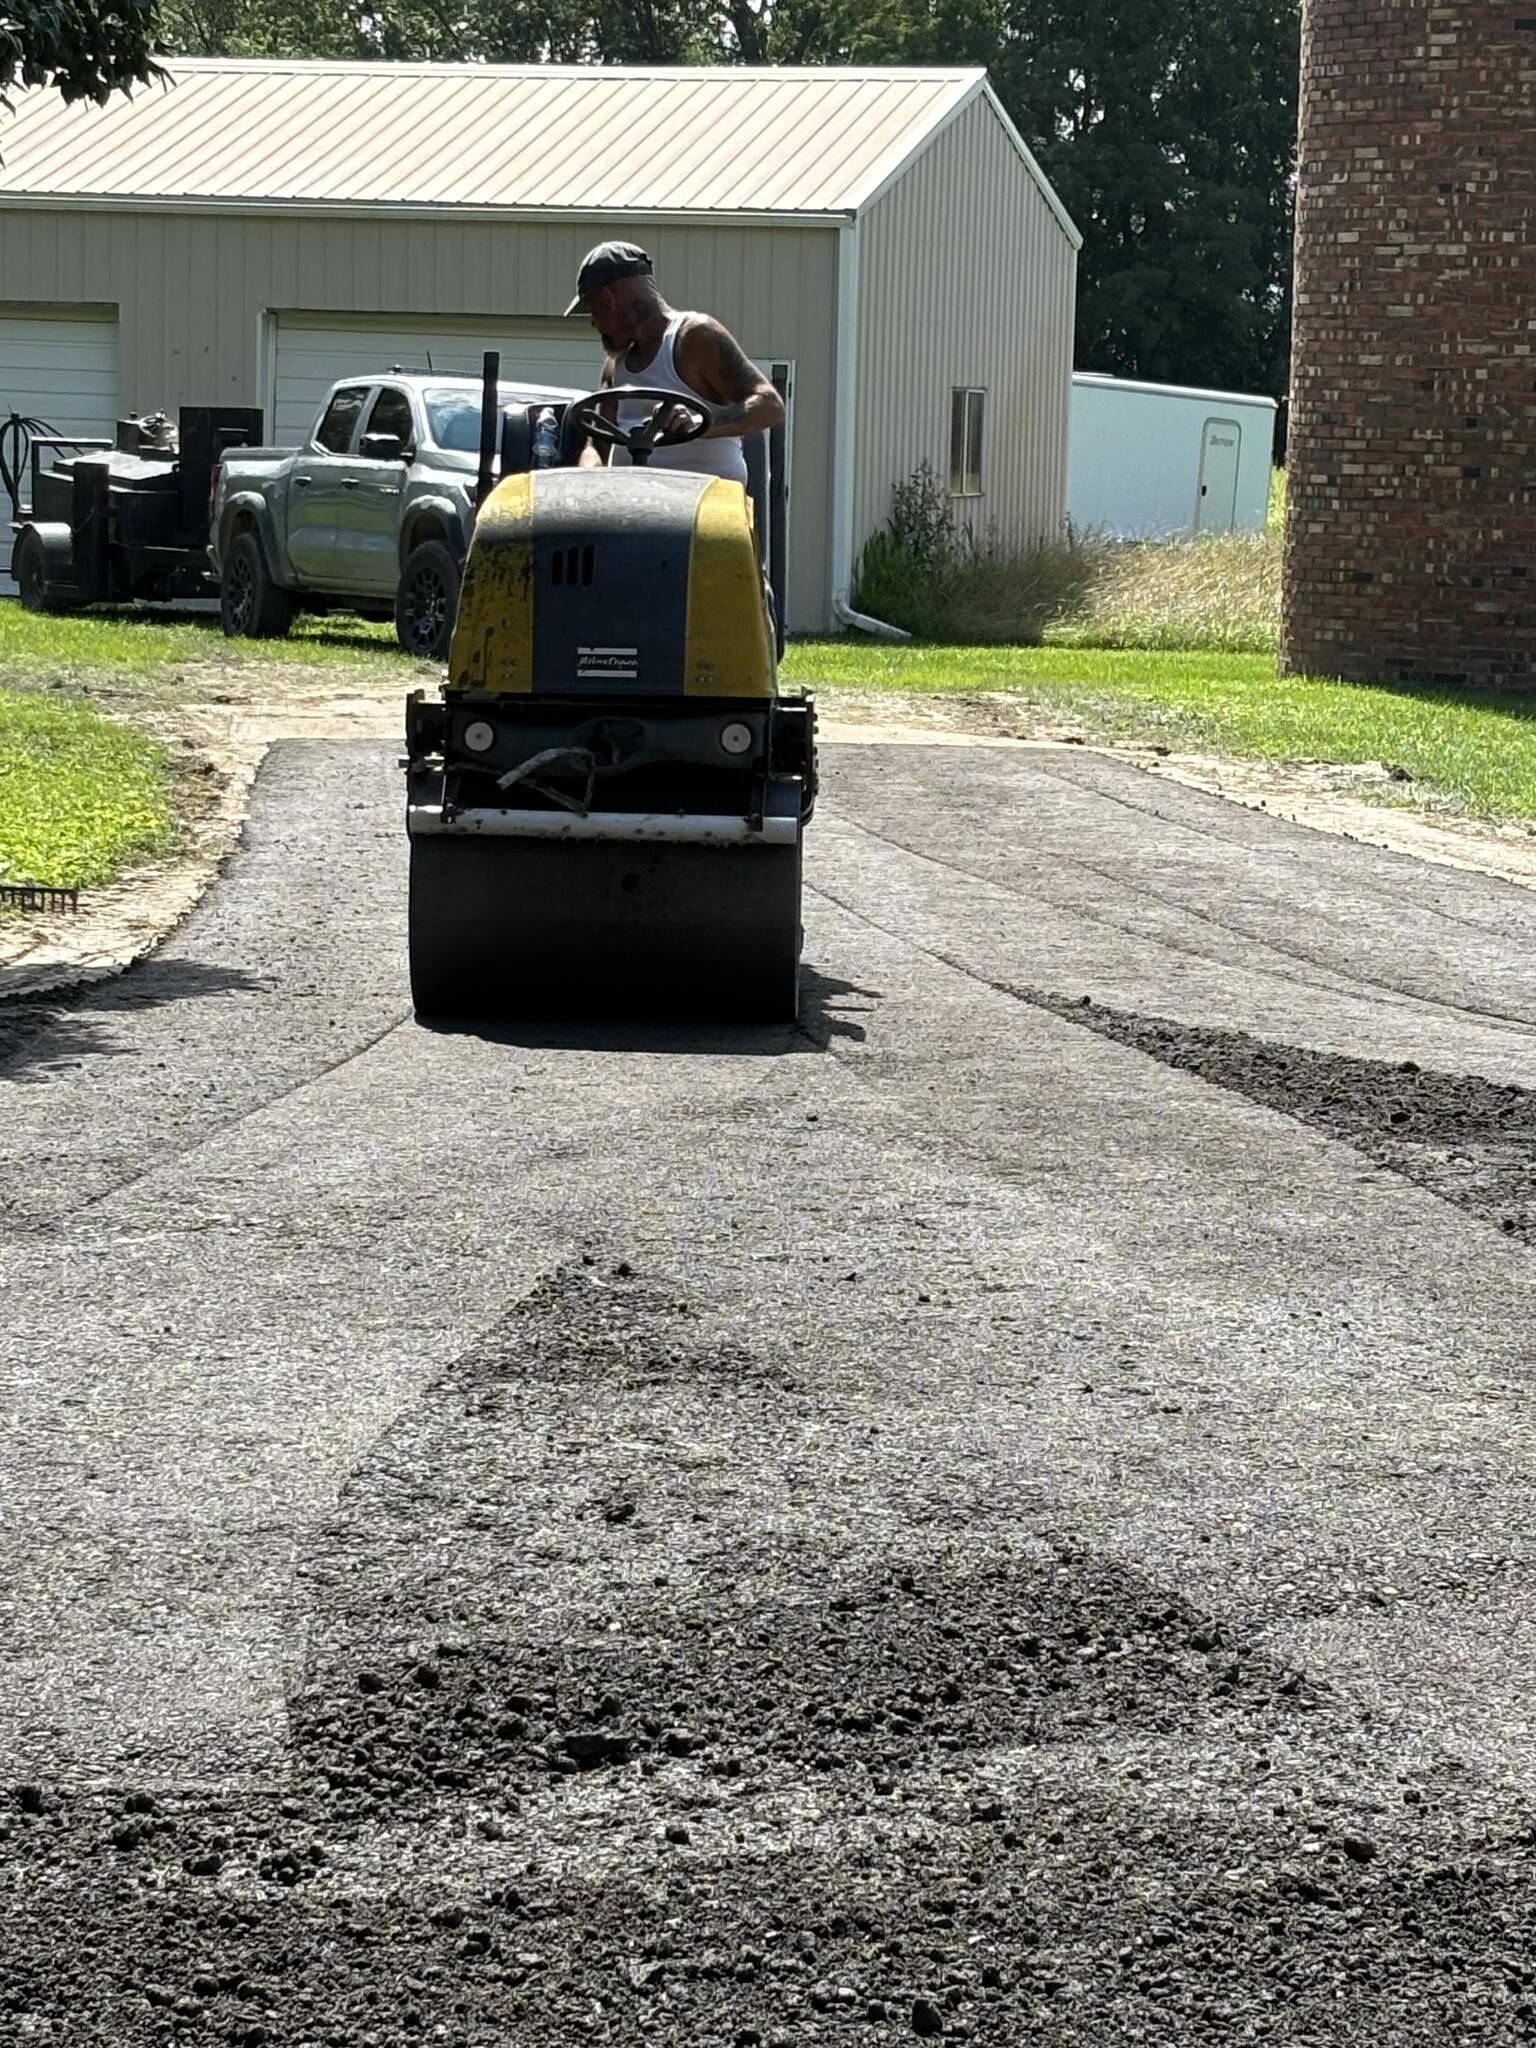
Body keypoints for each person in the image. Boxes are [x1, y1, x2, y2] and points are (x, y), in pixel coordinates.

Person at [563, 241, 784, 482]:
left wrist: (699, 422)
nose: (593, 322)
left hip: (708, 502)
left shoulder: (694, 338)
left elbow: (770, 407)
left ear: (608, 299)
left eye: (592, 309)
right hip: (633, 502)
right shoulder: (614, 366)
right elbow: (596, 446)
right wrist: (588, 476)